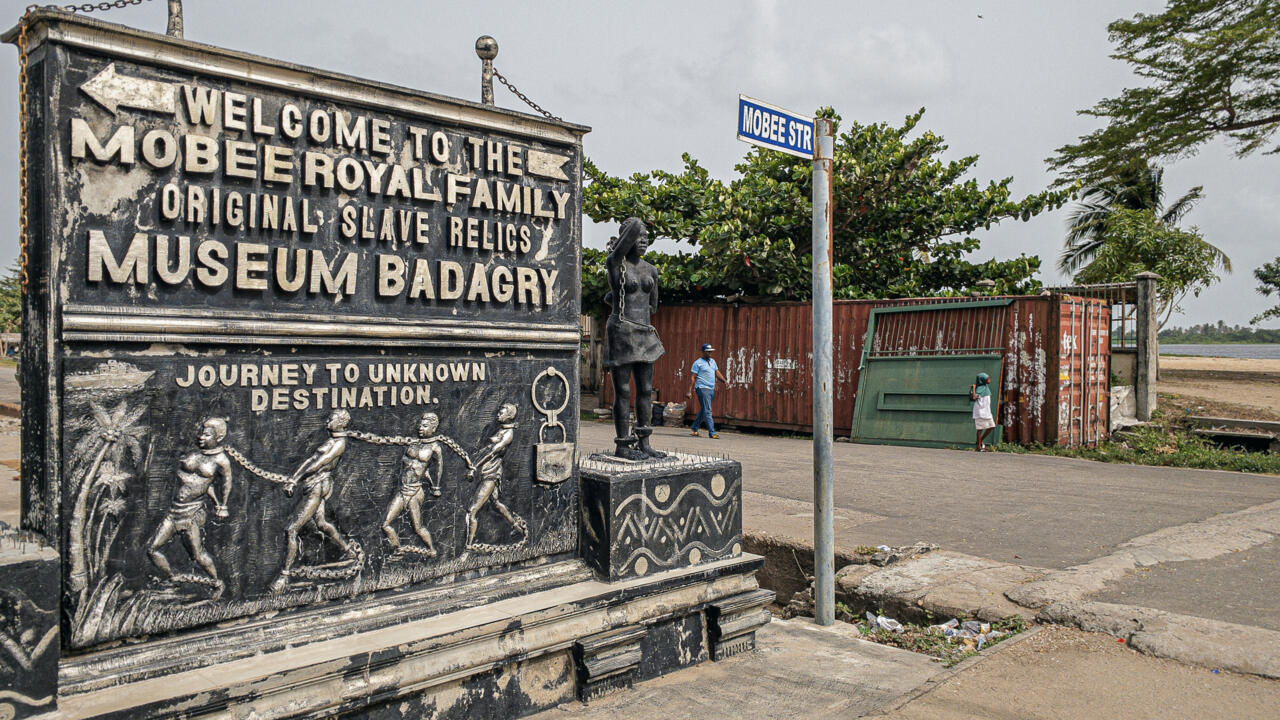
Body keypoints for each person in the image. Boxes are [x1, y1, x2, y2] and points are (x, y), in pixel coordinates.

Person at [271, 410, 357, 593]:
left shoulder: (339, 443)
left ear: (341, 424)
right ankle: (348, 550)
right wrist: (294, 478)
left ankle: (284, 576)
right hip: (314, 484)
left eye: (332, 419)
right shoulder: (331, 440)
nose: (328, 420)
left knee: (291, 529)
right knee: (322, 523)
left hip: (317, 487)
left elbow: (320, 463)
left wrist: (297, 479)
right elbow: (312, 459)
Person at [147, 418, 233, 598]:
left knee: (197, 555)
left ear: (219, 436)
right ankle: (172, 579)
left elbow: (225, 484)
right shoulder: (193, 454)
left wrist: (222, 505)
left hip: (191, 513)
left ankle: (217, 583)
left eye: (207, 434)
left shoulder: (221, 460)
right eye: (201, 433)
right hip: (174, 511)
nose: (201, 437)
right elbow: (203, 484)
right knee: (152, 549)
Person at [603, 217, 666, 460]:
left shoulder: (651, 269)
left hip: (644, 331)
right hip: (622, 331)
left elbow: (653, 305)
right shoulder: (616, 263)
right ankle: (622, 445)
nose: (643, 240)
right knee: (623, 390)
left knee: (646, 389)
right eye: (638, 236)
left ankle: (644, 441)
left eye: (646, 237)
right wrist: (637, 223)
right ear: (626, 239)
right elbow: (621, 247)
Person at [464, 403, 525, 550]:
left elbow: (492, 452)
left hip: (491, 473)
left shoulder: (508, 434)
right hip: (487, 471)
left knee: (472, 511)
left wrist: (474, 467)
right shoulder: (502, 429)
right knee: (496, 503)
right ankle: (517, 528)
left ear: (510, 416)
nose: (498, 413)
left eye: (502, 411)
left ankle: (468, 547)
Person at [685, 343, 728, 438]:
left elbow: (717, 372)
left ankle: (694, 427)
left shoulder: (712, 361)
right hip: (702, 388)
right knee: (708, 410)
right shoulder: (698, 363)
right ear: (703, 352)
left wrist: (724, 381)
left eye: (711, 352)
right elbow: (693, 377)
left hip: (710, 389)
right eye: (708, 352)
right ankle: (712, 433)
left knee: (704, 409)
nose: (710, 353)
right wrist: (689, 391)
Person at [970, 372, 996, 451]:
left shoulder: (985, 387)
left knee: (991, 426)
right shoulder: (979, 389)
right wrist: (974, 388)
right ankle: (978, 447)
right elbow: (974, 397)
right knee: (980, 429)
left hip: (987, 411)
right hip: (980, 411)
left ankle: (980, 441)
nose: (989, 380)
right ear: (982, 380)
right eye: (987, 379)